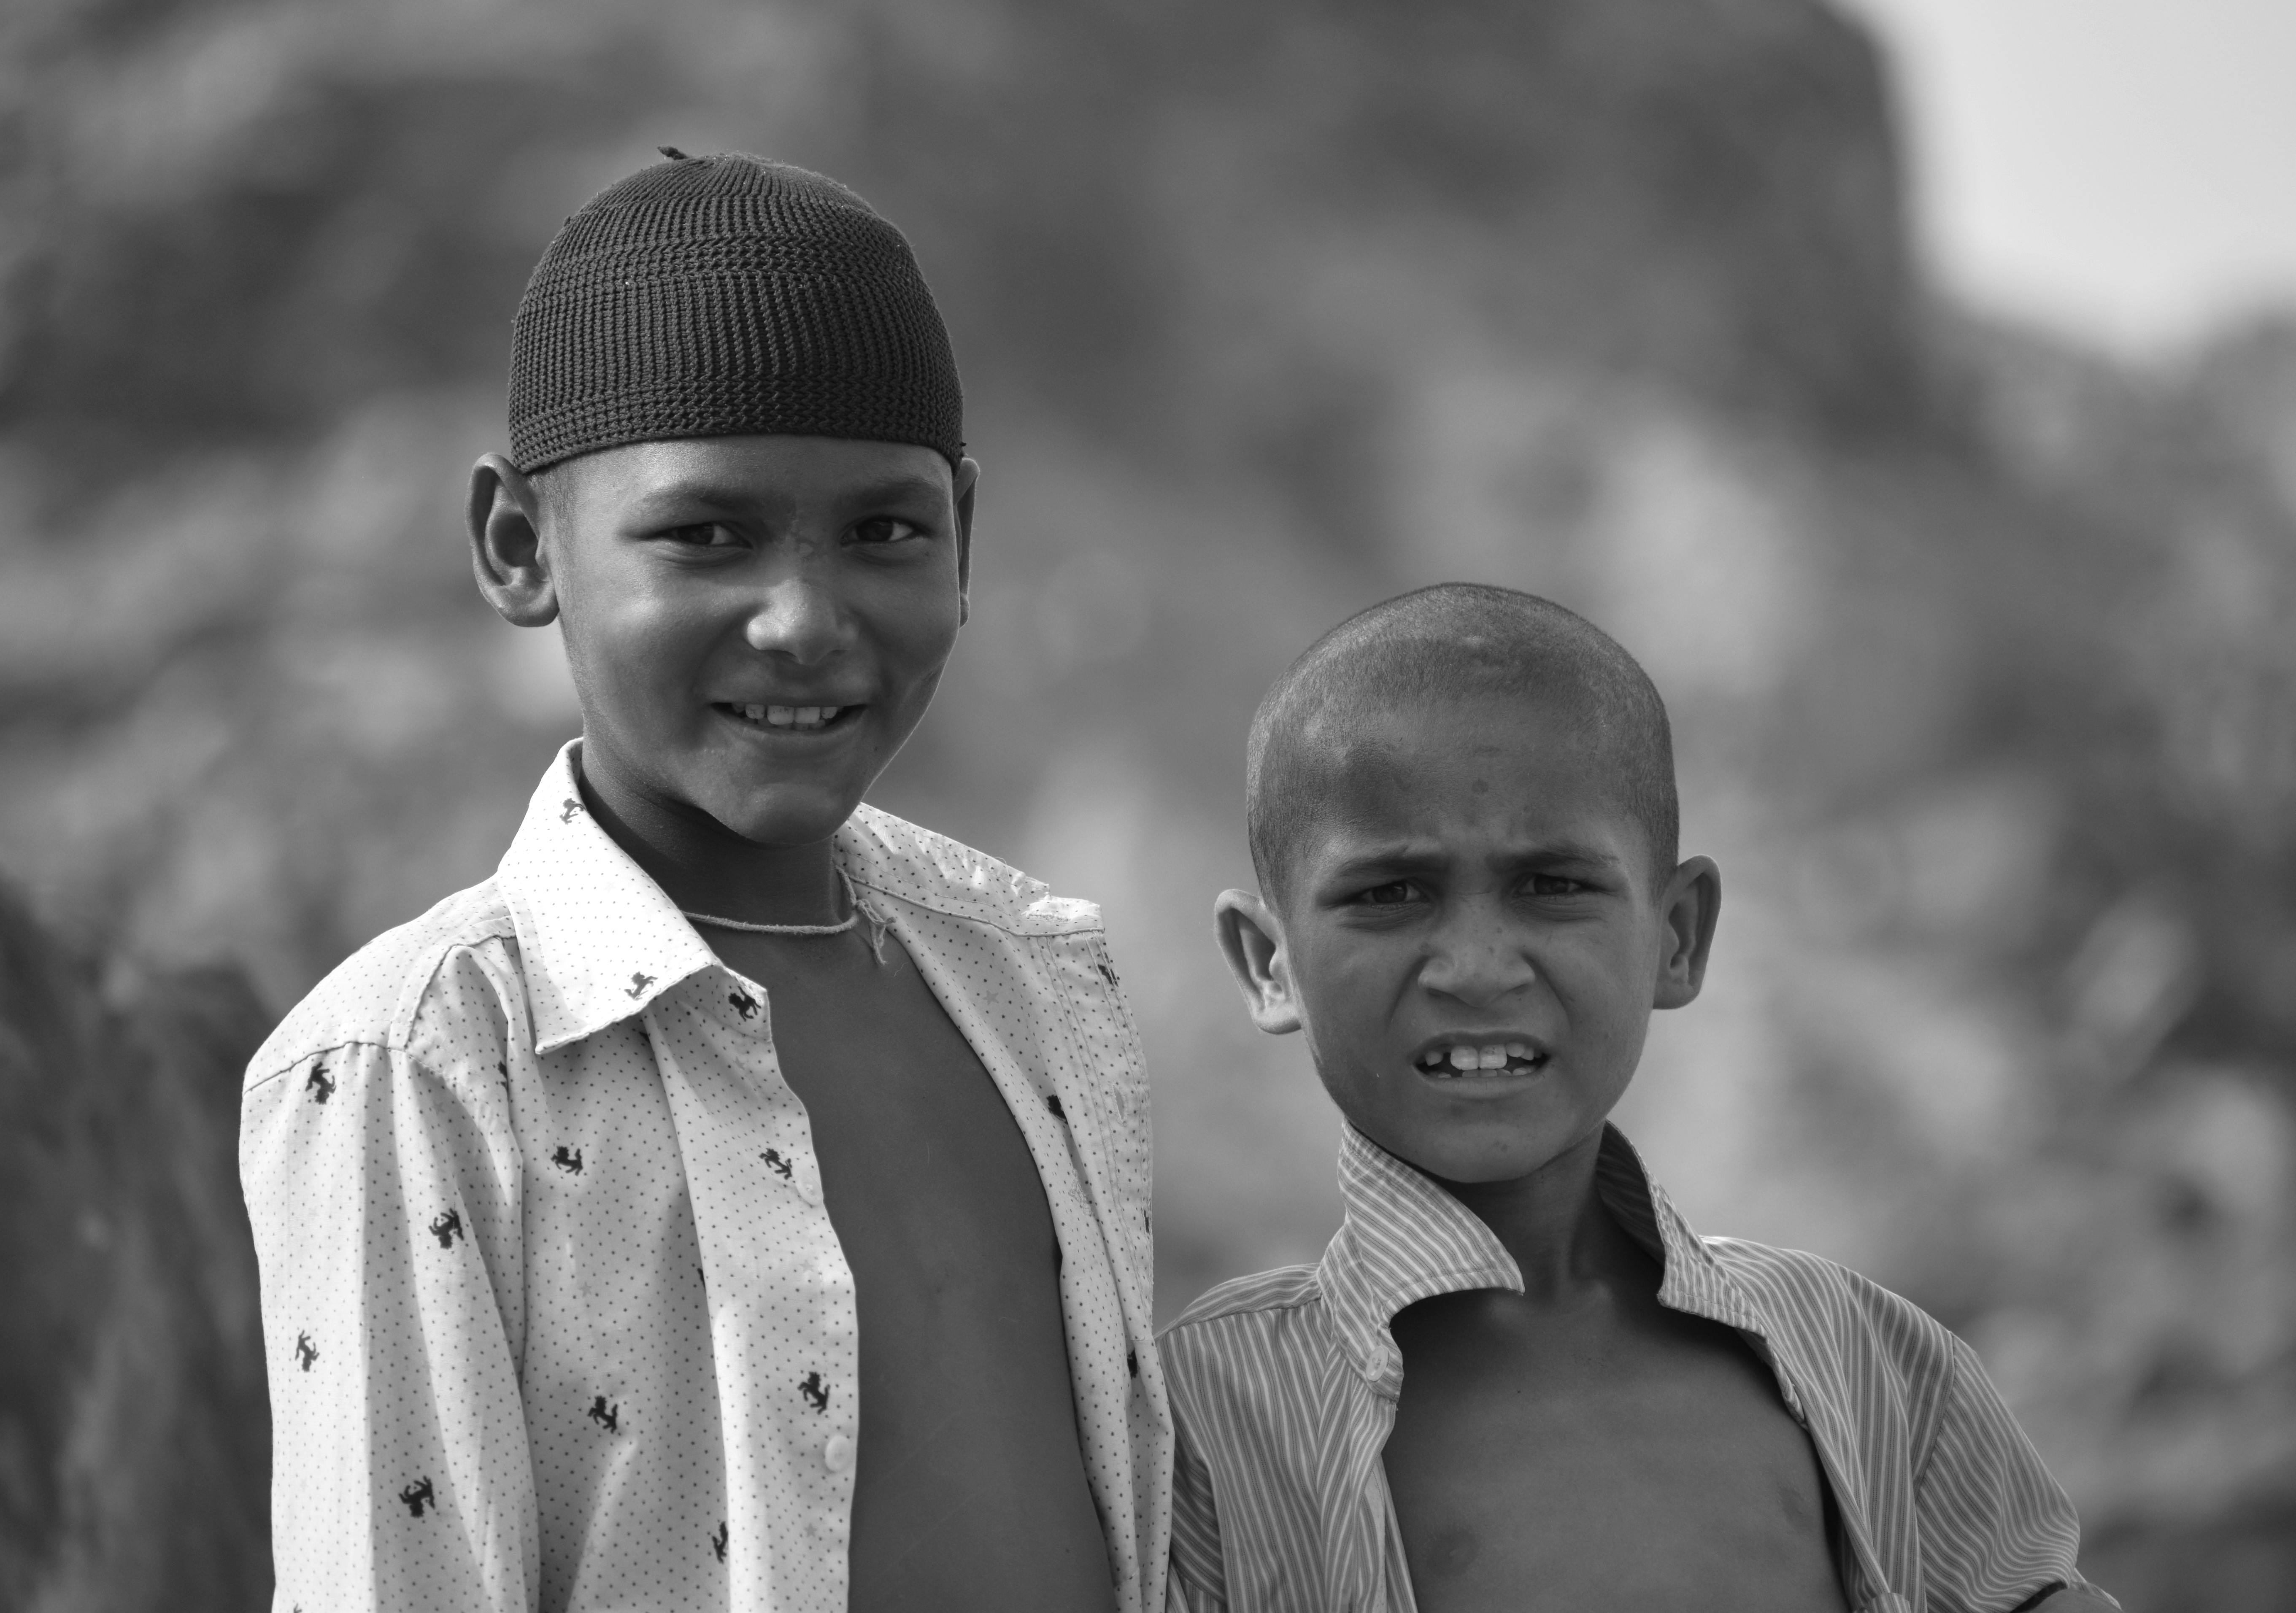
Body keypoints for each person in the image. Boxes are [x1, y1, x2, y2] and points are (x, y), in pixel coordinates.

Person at [239, 151, 1167, 1613]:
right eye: (705, 536)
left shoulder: (1028, 981)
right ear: (516, 545)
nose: (804, 619)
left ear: (966, 540)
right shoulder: (421, 1065)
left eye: (884, 531)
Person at [1158, 583, 2117, 1613]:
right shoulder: (1207, 1422)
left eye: (1553, 885)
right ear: (1270, 962)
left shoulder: (1863, 1355)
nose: (1478, 966)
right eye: (1389, 894)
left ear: (1677, 935)